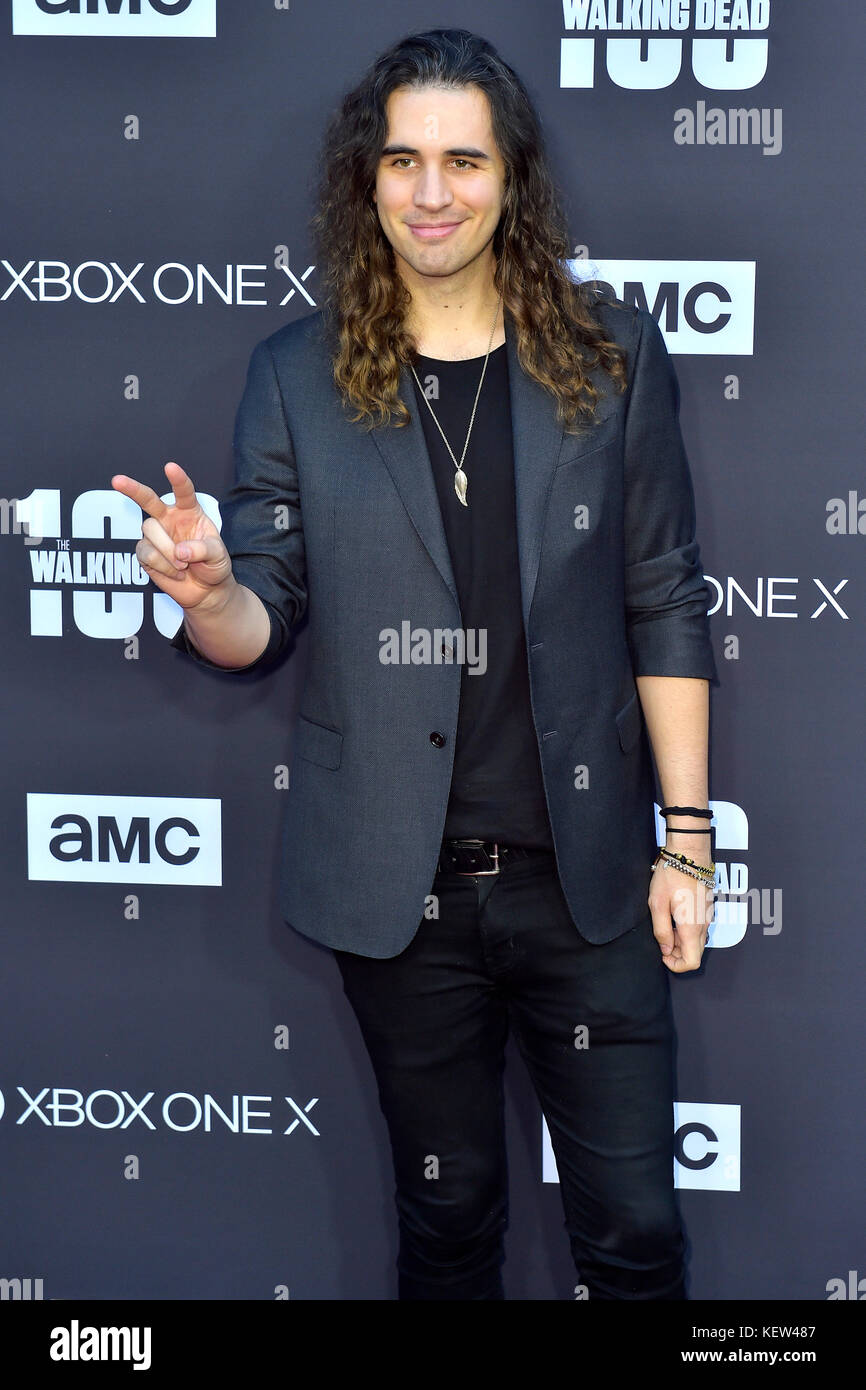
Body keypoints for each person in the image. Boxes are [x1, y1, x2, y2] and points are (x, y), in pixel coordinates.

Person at [111, 28, 718, 1301]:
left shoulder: (609, 357)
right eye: (401, 161)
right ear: (365, 178)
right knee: (448, 1238)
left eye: (462, 160)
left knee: (635, 1235)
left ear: (512, 180)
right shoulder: (295, 375)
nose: (430, 193)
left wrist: (687, 841)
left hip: (591, 885)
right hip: (401, 905)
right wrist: (211, 590)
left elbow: (661, 595)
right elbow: (254, 624)